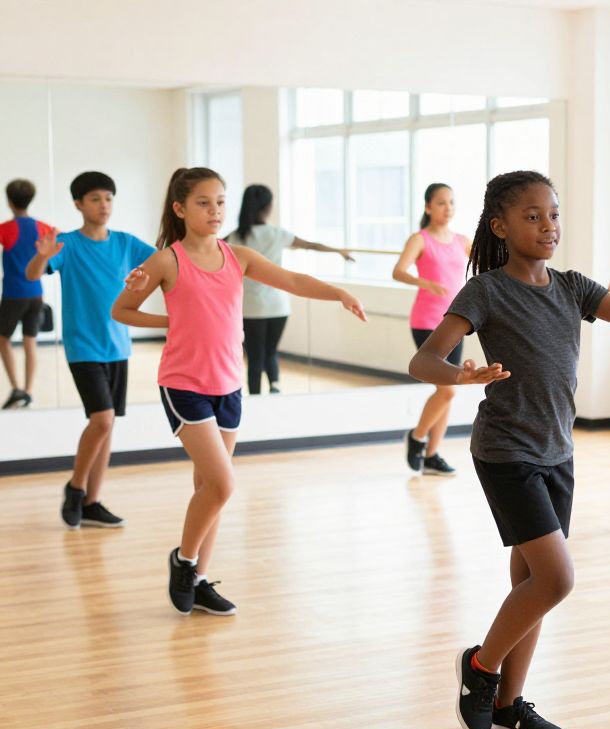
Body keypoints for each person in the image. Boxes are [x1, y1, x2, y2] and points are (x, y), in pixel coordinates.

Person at [410, 170, 610, 729]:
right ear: (501, 226)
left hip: (558, 452)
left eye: (553, 213)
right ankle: (481, 667)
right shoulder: (486, 291)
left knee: (529, 581)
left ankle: (508, 706)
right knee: (556, 578)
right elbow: (424, 360)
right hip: (506, 452)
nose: (548, 225)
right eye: (532, 216)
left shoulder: (573, 287)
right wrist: (460, 372)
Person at [112, 167, 366, 616]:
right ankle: (184, 561)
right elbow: (123, 309)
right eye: (203, 203)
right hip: (184, 384)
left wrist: (338, 292)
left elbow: (293, 281)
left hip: (228, 385)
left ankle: (201, 579)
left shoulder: (239, 256)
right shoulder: (167, 260)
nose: (214, 211)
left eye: (220, 202)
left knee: (207, 488)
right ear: (180, 209)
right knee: (224, 484)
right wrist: (170, 323)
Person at [25, 171, 154, 530]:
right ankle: (76, 488)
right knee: (102, 419)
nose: (104, 205)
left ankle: (93, 503)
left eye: (109, 198)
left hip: (118, 347)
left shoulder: (126, 242)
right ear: (79, 204)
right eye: (96, 199)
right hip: (83, 347)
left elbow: (167, 262)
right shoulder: (66, 244)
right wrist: (42, 256)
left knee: (107, 427)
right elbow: (34, 274)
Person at [226, 184, 353, 395]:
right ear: (268, 207)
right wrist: (338, 251)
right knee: (271, 351)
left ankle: (256, 396)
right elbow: (311, 245)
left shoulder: (234, 238)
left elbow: (205, 250)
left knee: (255, 356)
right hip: (278, 307)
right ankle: (275, 386)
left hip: (251, 308)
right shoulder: (277, 234)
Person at [393, 183, 470, 476]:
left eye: (451, 202)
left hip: (457, 322)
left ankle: (432, 455)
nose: (447, 207)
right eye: (441, 202)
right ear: (428, 207)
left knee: (449, 391)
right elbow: (398, 270)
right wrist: (424, 283)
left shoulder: (462, 240)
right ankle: (416, 437)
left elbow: (489, 262)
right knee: (448, 390)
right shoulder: (420, 239)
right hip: (427, 322)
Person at [0, 179, 54, 409]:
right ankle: (29, 390)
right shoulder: (43, 227)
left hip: (13, 294)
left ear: (9, 201)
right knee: (30, 341)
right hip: (36, 294)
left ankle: (16, 388)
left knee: (3, 340)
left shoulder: (5, 229)